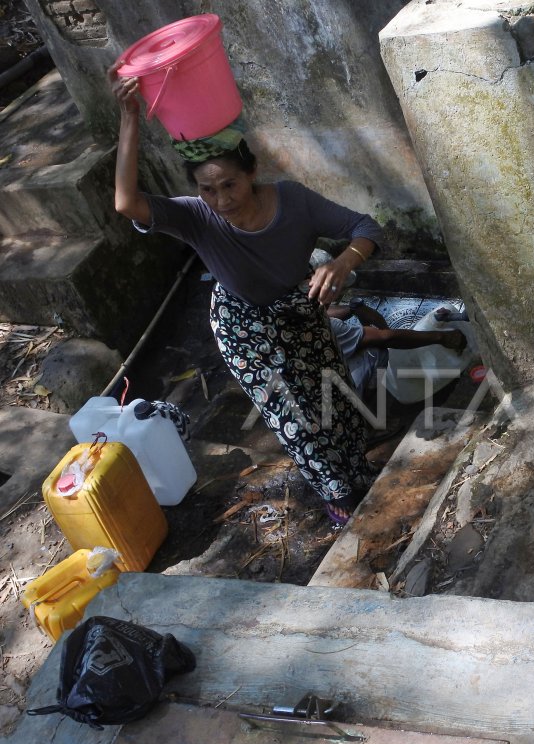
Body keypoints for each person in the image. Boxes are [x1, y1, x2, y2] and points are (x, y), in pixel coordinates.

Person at [110, 63, 381, 526]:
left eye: (229, 184)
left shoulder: (294, 202)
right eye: (207, 189)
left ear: (252, 172)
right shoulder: (196, 217)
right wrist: (130, 117)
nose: (221, 200)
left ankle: (358, 470)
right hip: (243, 328)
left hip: (300, 312)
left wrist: (343, 261)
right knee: (293, 416)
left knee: (332, 393)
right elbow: (125, 202)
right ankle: (338, 496)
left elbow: (366, 227)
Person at [325, 302, 468, 397]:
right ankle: (365, 417)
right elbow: (387, 338)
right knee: (376, 351)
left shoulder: (305, 314)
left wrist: (352, 308)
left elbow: (319, 309)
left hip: (308, 395)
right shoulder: (326, 328)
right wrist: (441, 337)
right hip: (326, 405)